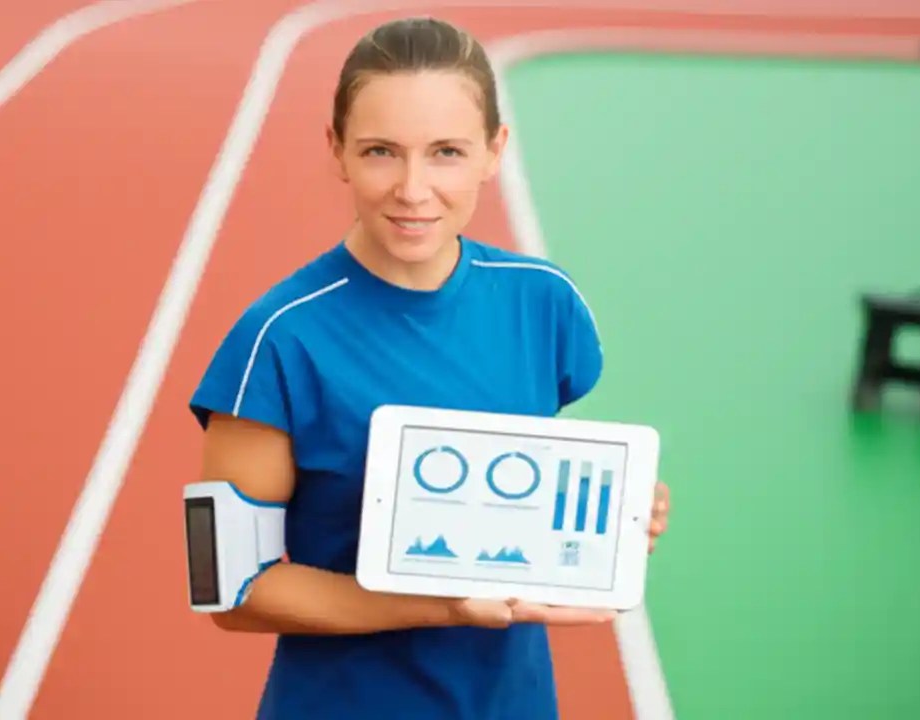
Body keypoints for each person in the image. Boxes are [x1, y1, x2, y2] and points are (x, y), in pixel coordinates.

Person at [188, 15, 670, 720]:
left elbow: (512, 490)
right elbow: (229, 590)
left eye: (446, 152)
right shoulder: (276, 340)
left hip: (513, 704)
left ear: (494, 150)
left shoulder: (546, 305)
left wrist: (608, 511)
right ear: (338, 150)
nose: (413, 190)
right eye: (382, 151)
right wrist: (437, 604)